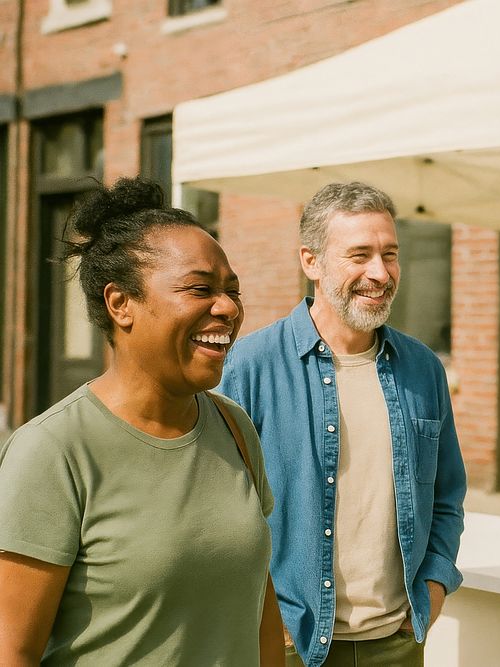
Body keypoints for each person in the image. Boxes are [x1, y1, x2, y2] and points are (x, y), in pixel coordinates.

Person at [0, 177, 284, 666]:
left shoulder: (234, 428)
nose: (228, 308)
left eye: (231, 291)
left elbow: (259, 608)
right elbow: (13, 651)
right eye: (200, 289)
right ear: (121, 303)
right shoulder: (53, 451)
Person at [219, 181, 466, 666]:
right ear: (311, 261)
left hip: (397, 642)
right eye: (359, 255)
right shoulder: (248, 367)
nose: (380, 272)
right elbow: (218, 510)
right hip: (288, 644)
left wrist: (434, 584)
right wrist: (270, 616)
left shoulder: (423, 369)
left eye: (389, 254)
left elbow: (446, 495)